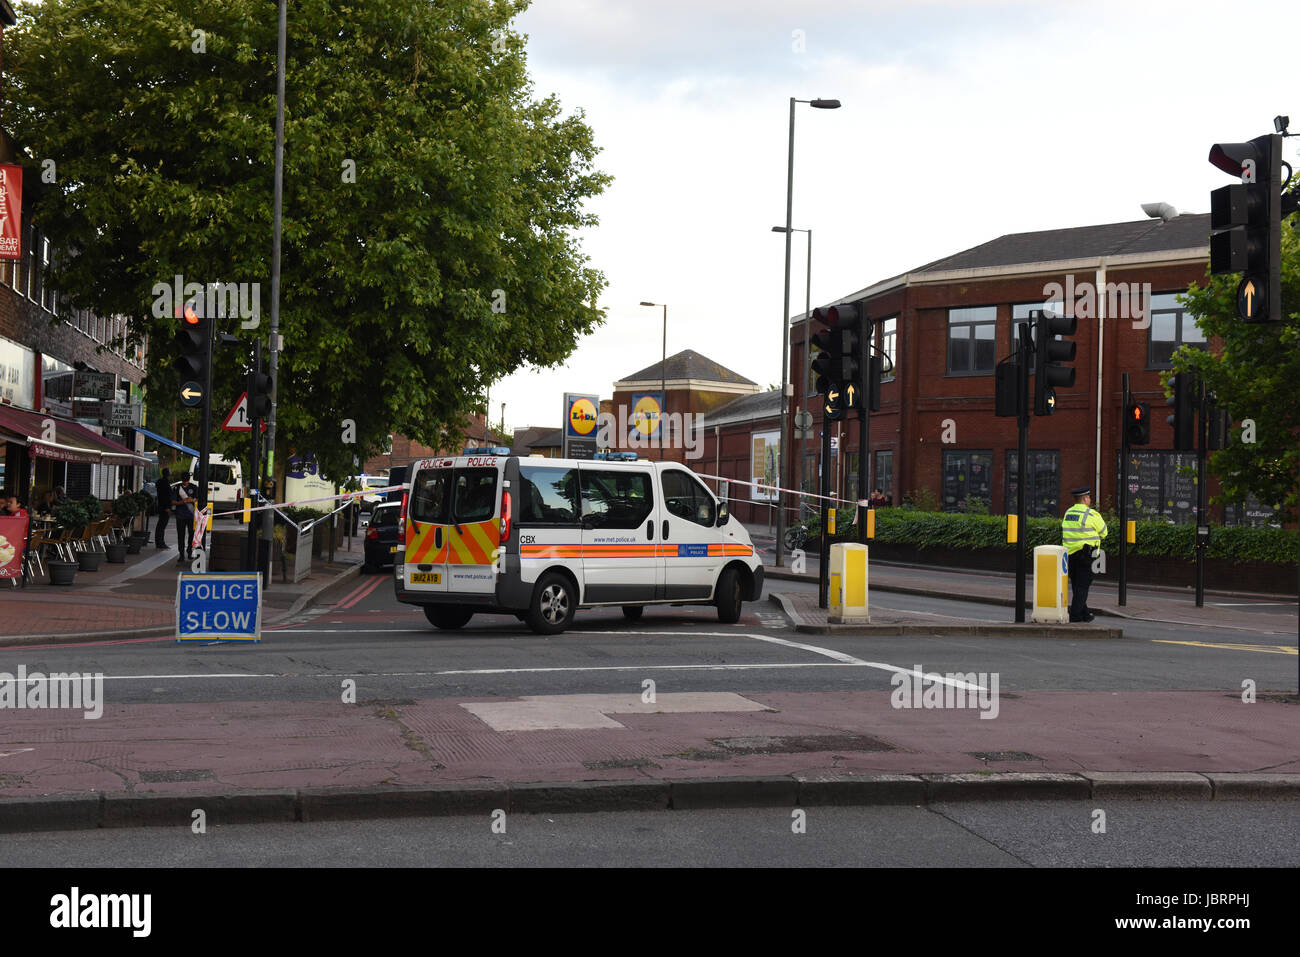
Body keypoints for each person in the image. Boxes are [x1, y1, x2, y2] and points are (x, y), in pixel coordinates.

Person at [1061, 485, 1108, 623]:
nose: (1090, 499)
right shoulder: (1092, 514)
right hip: (1087, 556)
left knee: (1077, 585)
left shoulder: (1068, 513)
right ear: (1085, 498)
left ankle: (1085, 614)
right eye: (1089, 497)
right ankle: (1075, 616)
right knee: (1082, 587)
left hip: (1069, 555)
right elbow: (1104, 533)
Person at [173, 472, 198, 563]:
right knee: (181, 535)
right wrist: (182, 502)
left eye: (186, 481)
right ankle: (181, 554)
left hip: (191, 515)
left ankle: (189, 551)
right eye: (184, 481)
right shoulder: (177, 488)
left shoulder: (193, 487)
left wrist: (193, 500)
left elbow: (198, 498)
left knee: (192, 534)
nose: (185, 483)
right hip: (180, 515)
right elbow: (173, 501)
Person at [154, 468, 173, 549]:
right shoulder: (165, 483)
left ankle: (159, 542)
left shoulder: (160, 482)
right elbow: (165, 496)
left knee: (160, 525)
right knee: (162, 525)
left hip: (161, 506)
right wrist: (167, 507)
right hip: (164, 507)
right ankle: (160, 543)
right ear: (168, 474)